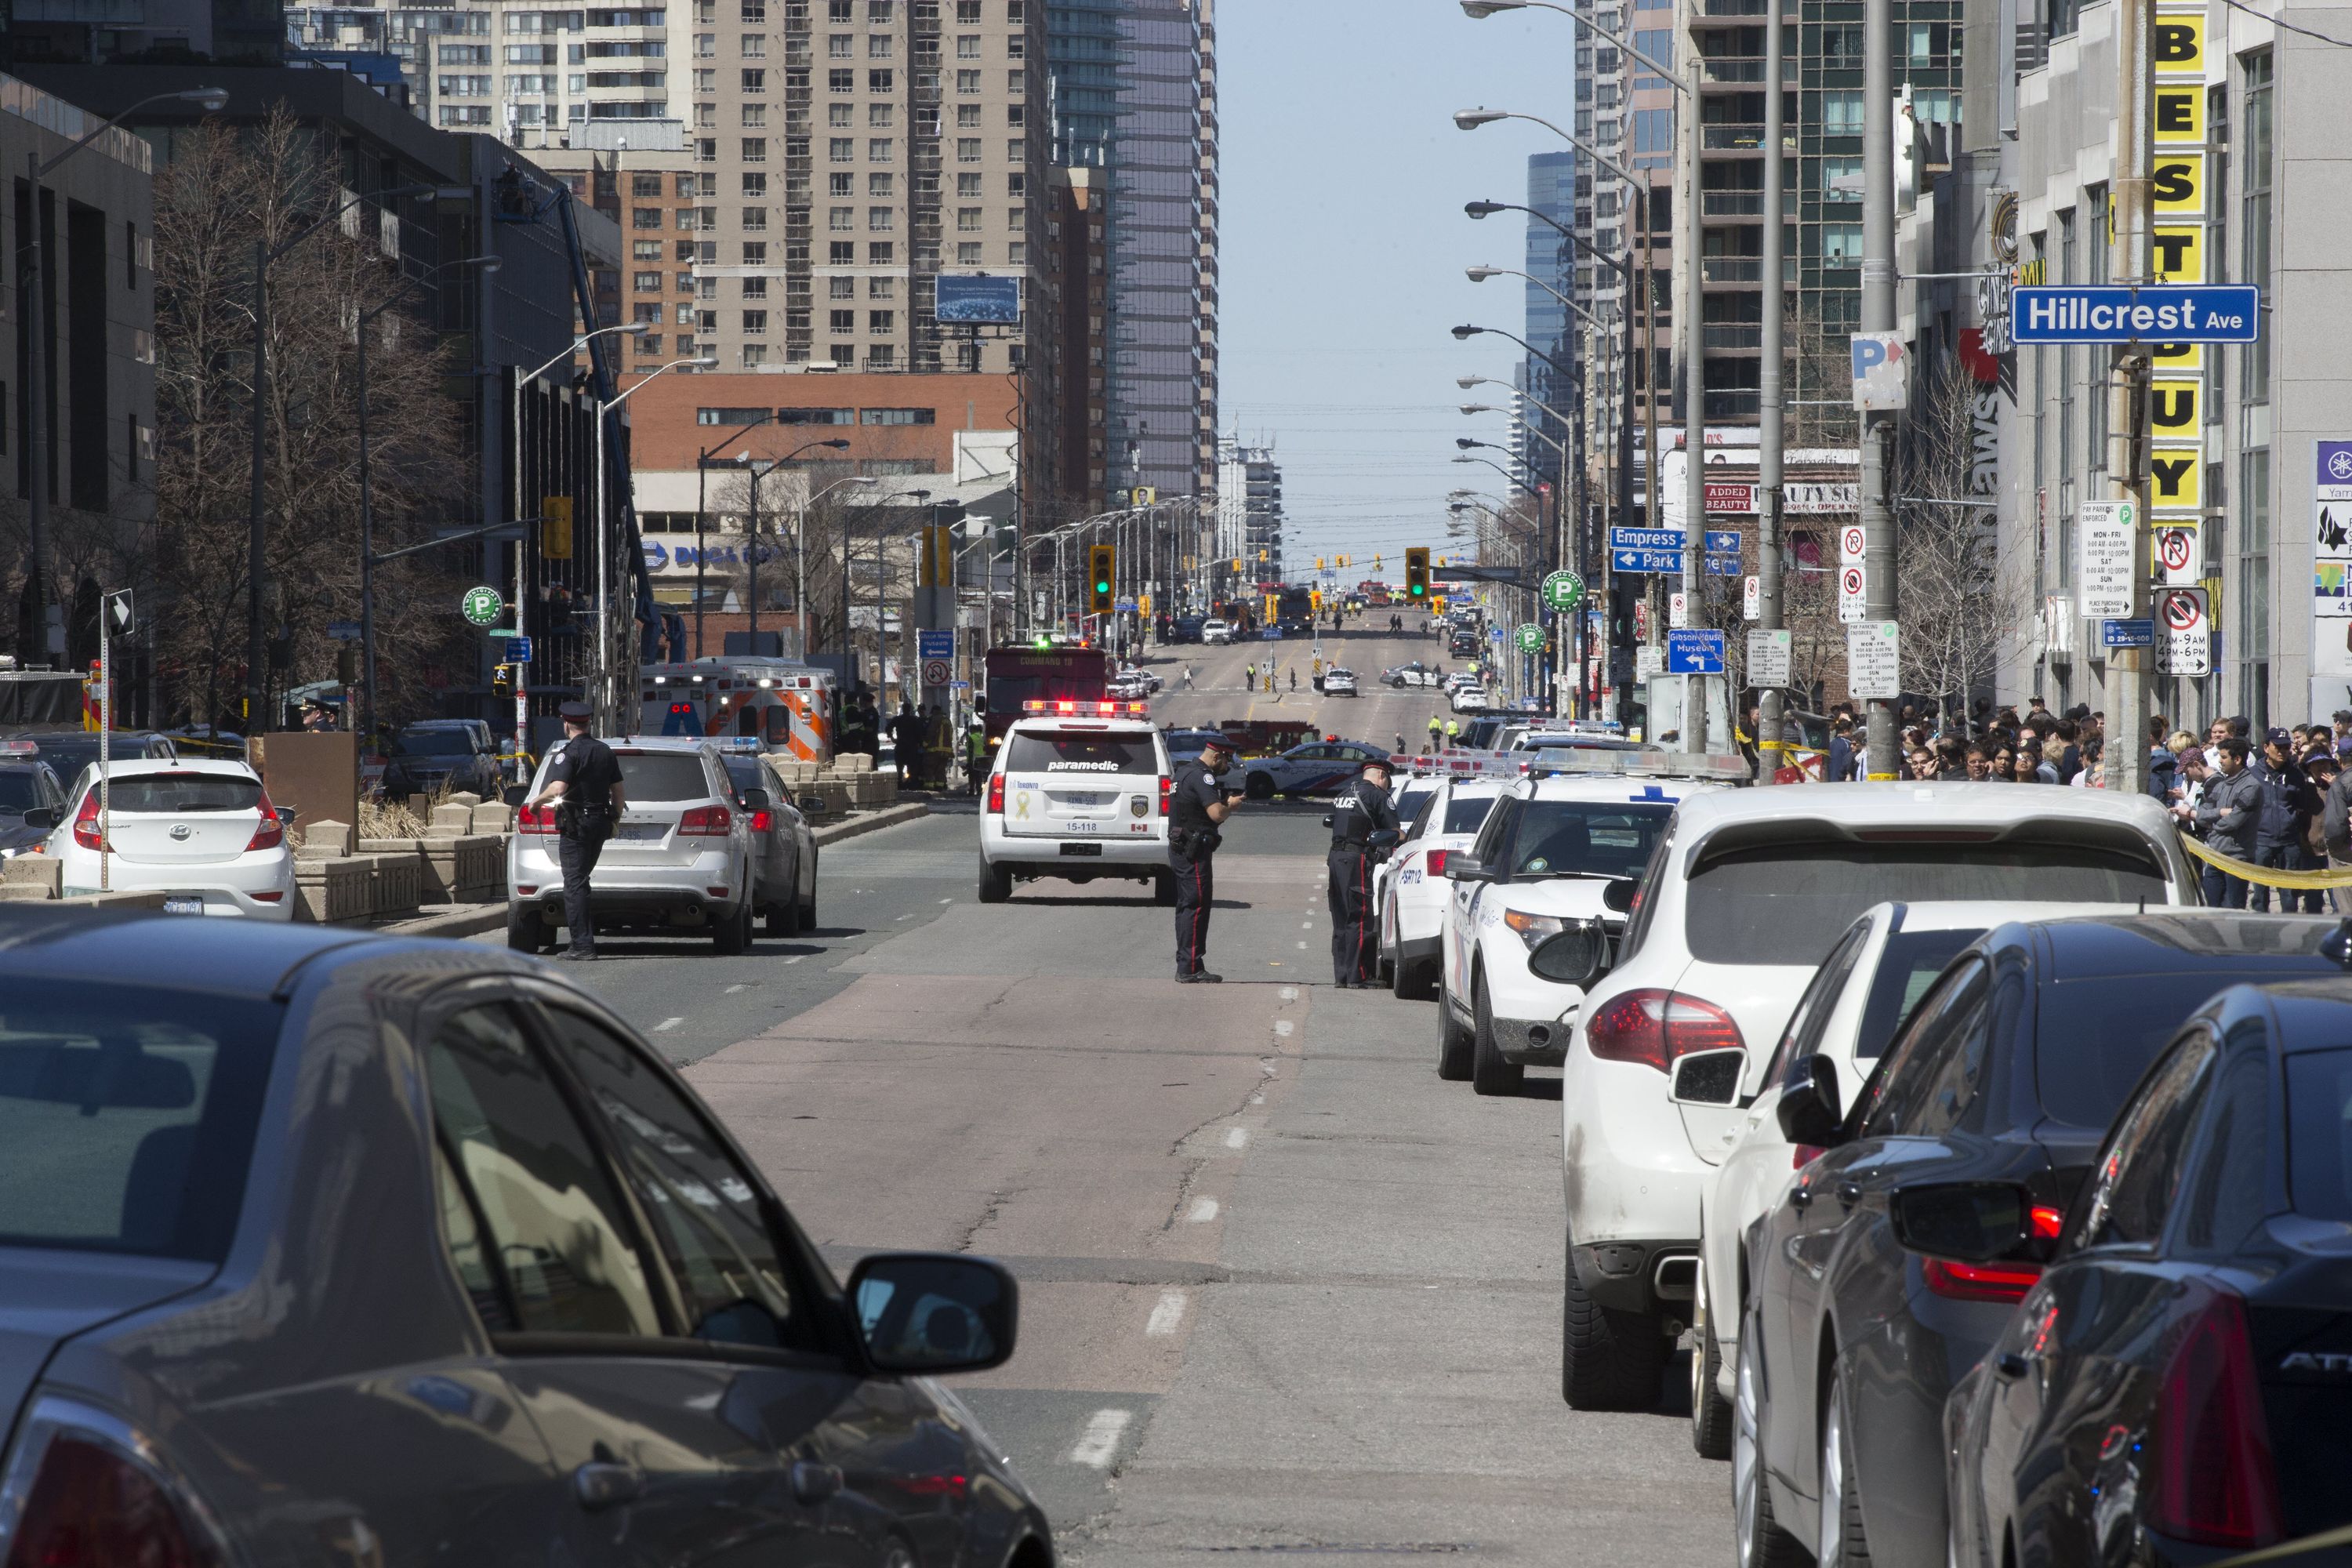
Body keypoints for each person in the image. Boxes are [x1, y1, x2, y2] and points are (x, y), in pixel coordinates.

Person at [528, 701, 626, 960]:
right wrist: (614, 818)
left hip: (577, 825)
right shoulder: (605, 751)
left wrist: (537, 801)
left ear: (566, 723)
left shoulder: (567, 753)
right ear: (587, 723)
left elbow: (559, 789)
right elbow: (618, 792)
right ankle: (584, 939)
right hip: (599, 823)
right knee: (581, 880)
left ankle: (582, 946)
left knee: (574, 883)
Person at [1168, 732, 1243, 982]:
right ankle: (1190, 967)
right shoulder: (1203, 776)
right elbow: (1216, 814)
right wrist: (1229, 805)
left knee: (1186, 905)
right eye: (1227, 761)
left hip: (1181, 847)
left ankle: (1187, 963)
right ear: (1217, 756)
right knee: (1196, 906)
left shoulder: (1183, 772)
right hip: (1194, 849)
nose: (1227, 767)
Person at [1327, 755, 1403, 987]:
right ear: (1382, 775)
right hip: (1356, 859)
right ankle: (1359, 975)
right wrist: (1406, 837)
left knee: (1341, 918)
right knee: (1360, 917)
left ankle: (1342, 976)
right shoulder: (1378, 796)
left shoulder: (1343, 795)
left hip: (1335, 858)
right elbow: (1394, 832)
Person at [2252, 728, 2322, 913]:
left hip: (2289, 842)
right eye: (2278, 747)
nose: (2283, 751)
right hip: (2262, 841)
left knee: (2289, 892)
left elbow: (2301, 805)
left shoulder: (2296, 775)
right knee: (2259, 892)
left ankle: (2289, 929)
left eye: (2286, 747)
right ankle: (2259, 931)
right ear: (2266, 748)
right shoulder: (2253, 774)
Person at [2186, 736, 2259, 906]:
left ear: (2238, 759)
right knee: (2209, 905)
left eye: (2224, 757)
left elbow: (2234, 821)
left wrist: (2210, 820)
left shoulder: (2250, 787)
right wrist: (2219, 812)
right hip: (2215, 854)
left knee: (2232, 907)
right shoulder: (2222, 784)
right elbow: (2203, 811)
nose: (2220, 761)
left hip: (2237, 857)